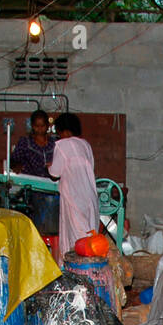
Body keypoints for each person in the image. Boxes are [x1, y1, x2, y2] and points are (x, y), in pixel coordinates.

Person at [47, 112, 97, 263]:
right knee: (89, 235)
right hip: (89, 196)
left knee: (76, 238)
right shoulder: (85, 145)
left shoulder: (63, 145)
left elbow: (55, 172)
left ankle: (76, 272)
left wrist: (48, 166)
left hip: (74, 196)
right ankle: (89, 270)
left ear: (62, 130)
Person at [10, 109, 55, 178]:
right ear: (32, 126)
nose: (40, 129)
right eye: (37, 126)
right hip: (30, 182)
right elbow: (13, 160)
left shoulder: (54, 143)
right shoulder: (24, 143)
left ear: (47, 126)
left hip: (51, 183)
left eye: (42, 126)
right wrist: (16, 166)